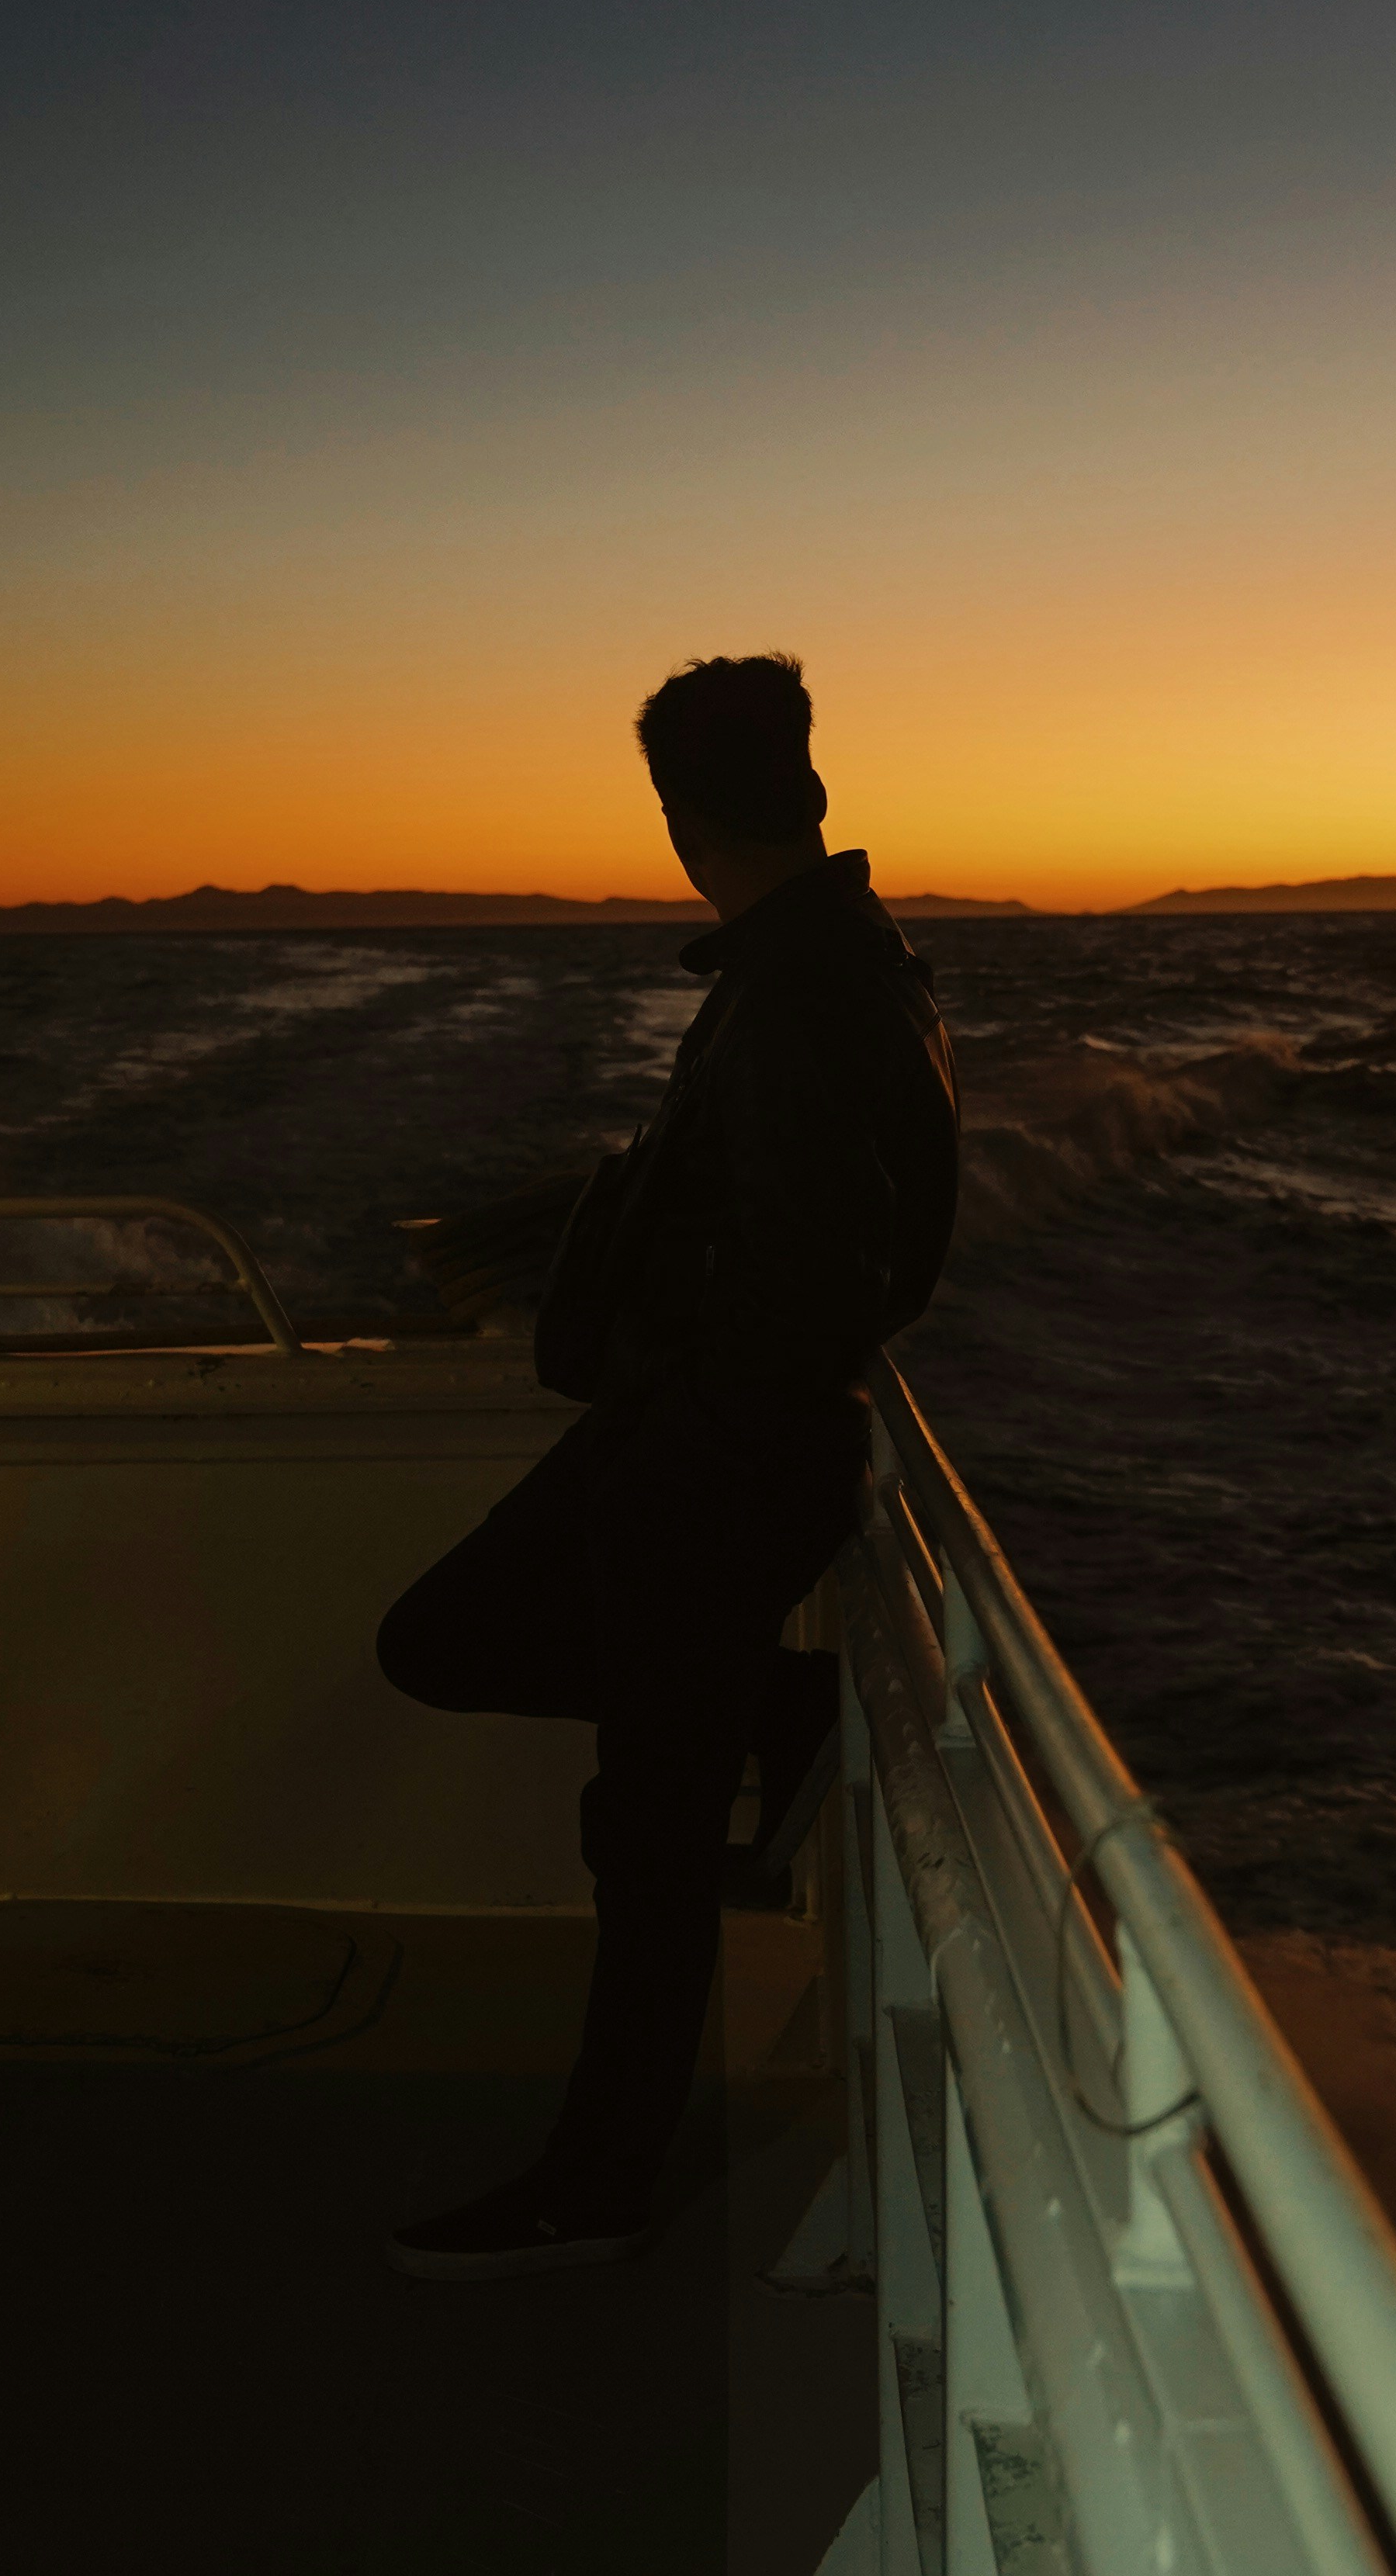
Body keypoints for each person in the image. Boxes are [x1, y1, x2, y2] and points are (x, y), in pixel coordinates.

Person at [376, 653, 961, 2277]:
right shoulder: (841, 965)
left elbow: (816, 1256)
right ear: (808, 783)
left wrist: (684, 1385)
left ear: (678, 811)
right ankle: (779, 1712)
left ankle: (598, 2178)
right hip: (714, 1433)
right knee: (469, 1651)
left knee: (648, 1830)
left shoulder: (802, 989)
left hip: (722, 1451)